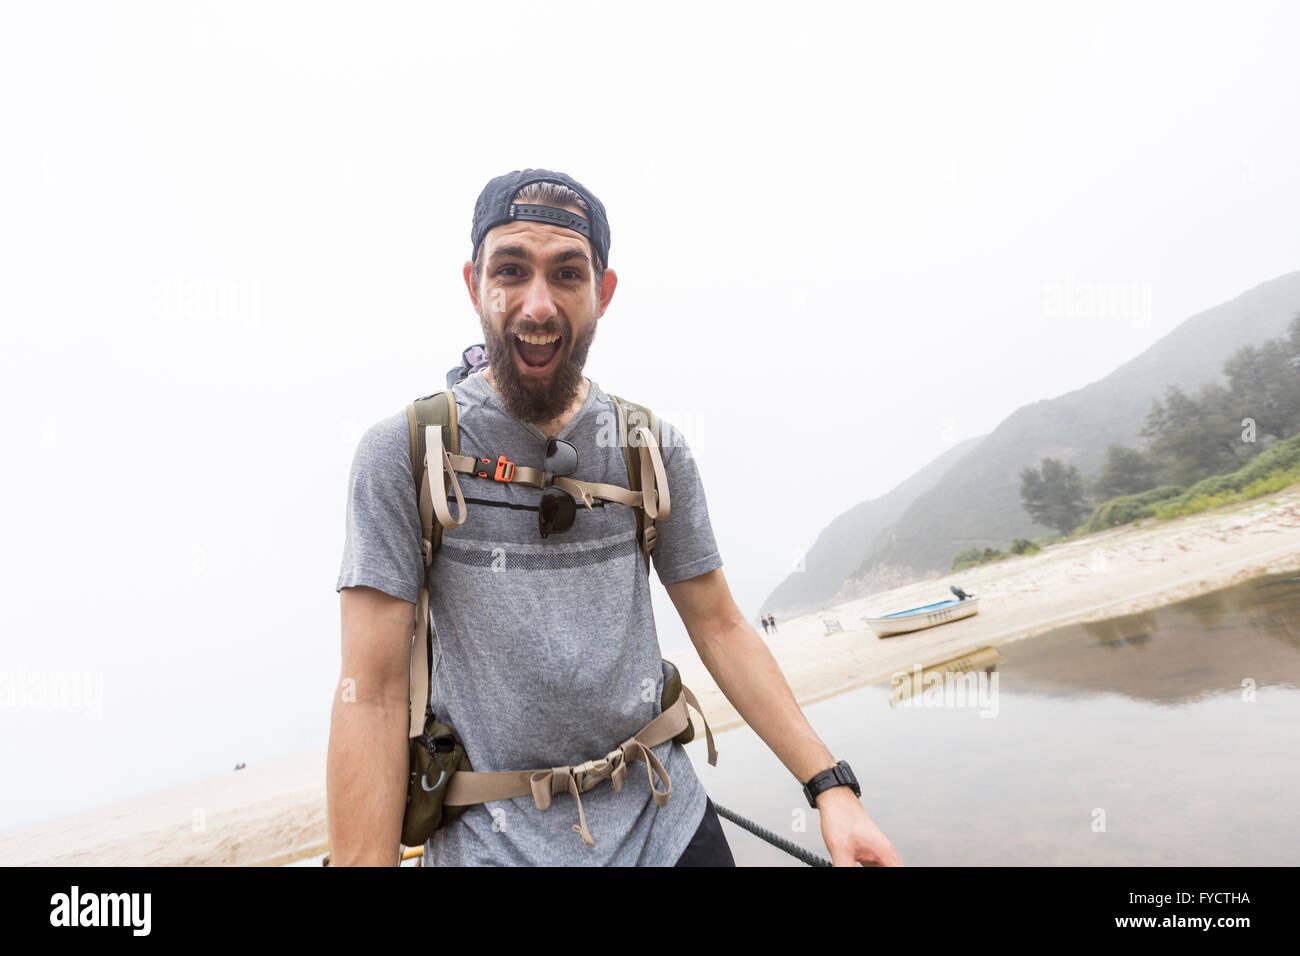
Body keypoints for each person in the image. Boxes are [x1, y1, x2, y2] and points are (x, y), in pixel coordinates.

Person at [327, 168, 902, 868]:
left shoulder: (648, 449)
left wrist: (830, 789)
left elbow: (719, 624)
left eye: (567, 273)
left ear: (603, 293)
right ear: (476, 283)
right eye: (512, 269)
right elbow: (373, 691)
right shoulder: (405, 455)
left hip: (670, 824)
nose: (538, 305)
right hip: (492, 848)